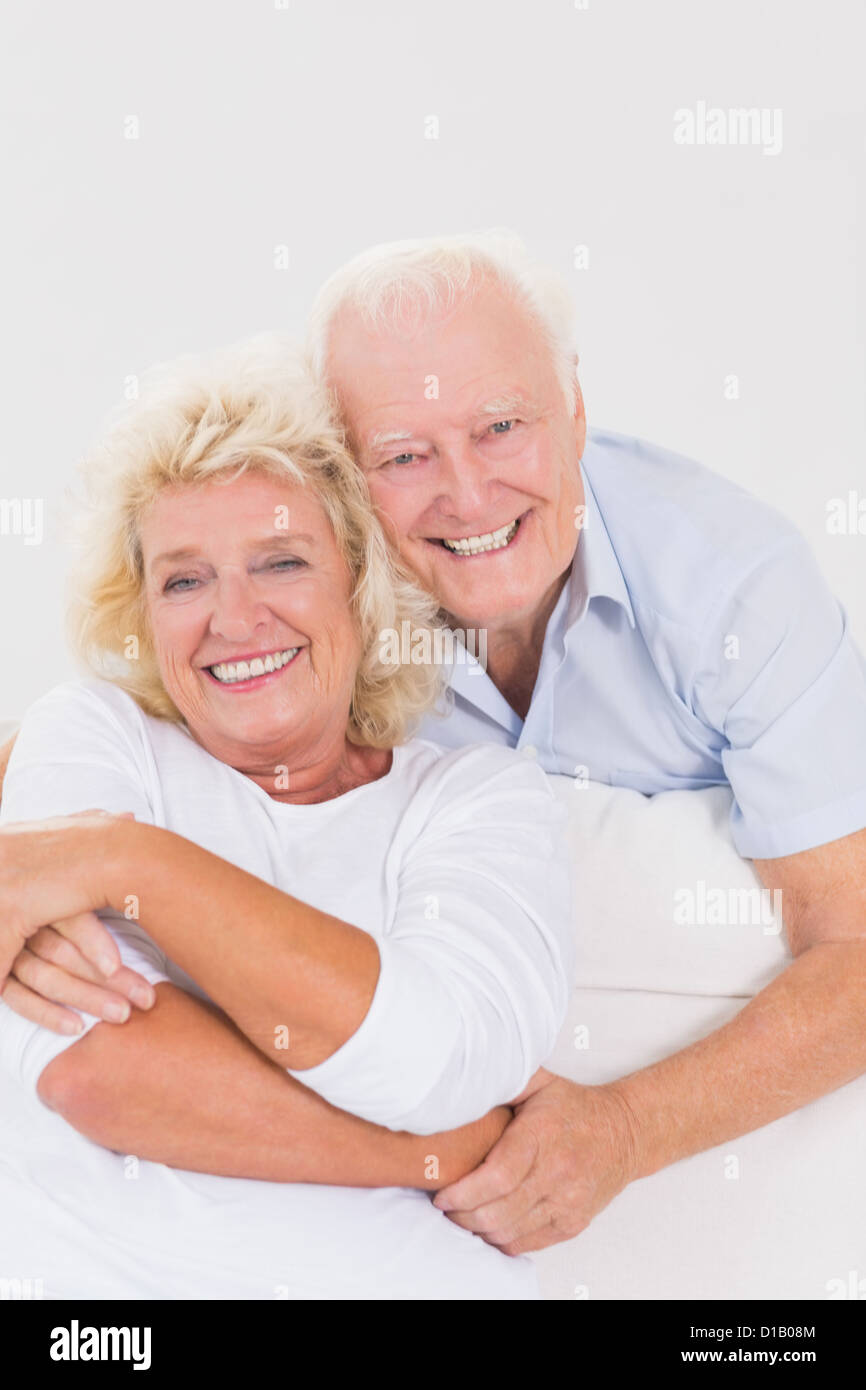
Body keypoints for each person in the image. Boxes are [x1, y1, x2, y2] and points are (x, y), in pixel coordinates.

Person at [6, 230, 866, 1261]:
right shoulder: (307, 602)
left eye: (500, 425)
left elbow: (855, 950)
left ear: (576, 407)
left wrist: (621, 1129)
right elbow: (124, 716)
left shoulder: (729, 586)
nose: (464, 494)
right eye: (404, 453)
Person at [0, 340, 574, 1299]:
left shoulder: (481, 798)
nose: (235, 618)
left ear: (358, 580)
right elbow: (97, 1068)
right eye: (184, 580)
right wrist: (445, 1149)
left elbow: (432, 1060)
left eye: (280, 561)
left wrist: (126, 858)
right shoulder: (95, 737)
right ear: (140, 610)